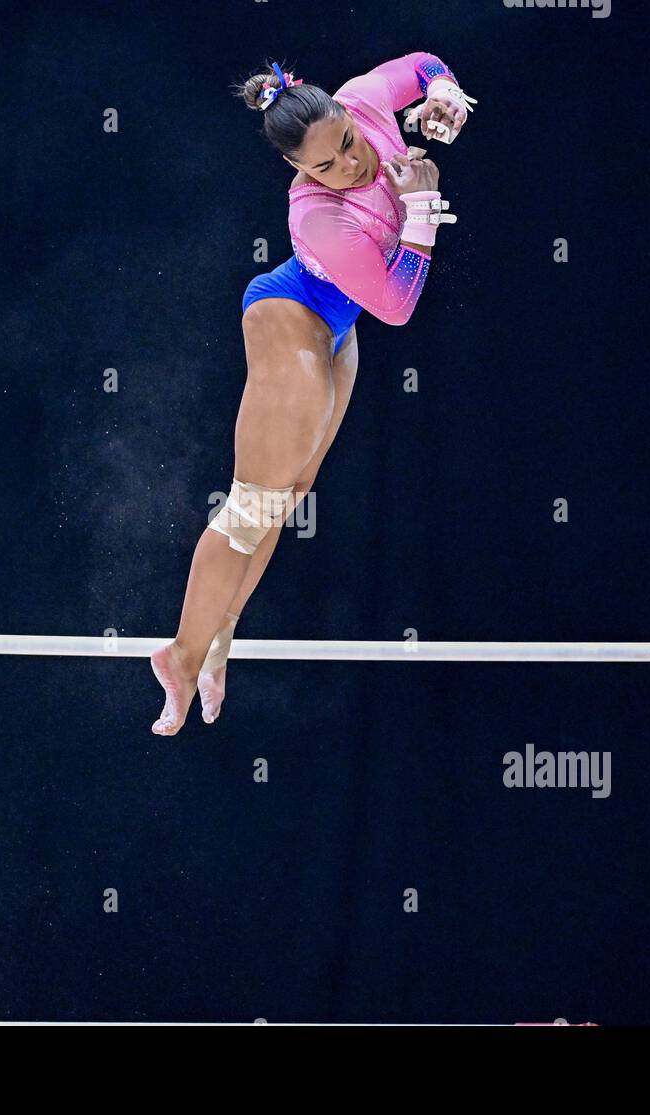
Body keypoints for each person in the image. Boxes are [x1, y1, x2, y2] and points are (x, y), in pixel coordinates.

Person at [151, 53, 475, 735]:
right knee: (254, 504)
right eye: (326, 166)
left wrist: (444, 93)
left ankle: (218, 636)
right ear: (299, 170)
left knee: (289, 496)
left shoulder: (362, 100)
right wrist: (418, 205)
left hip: (336, 325)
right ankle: (180, 652)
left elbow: (421, 65)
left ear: (349, 117)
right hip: (291, 314)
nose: (350, 167)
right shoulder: (314, 216)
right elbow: (396, 306)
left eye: (350, 146)